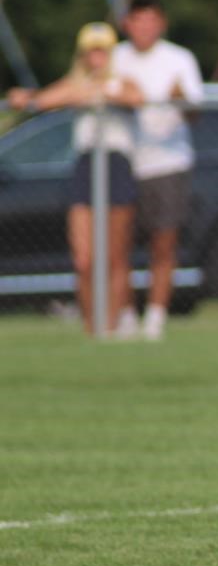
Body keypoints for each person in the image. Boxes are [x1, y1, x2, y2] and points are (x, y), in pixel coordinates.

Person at [7, 23, 145, 336]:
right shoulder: (75, 84)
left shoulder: (122, 81)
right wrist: (28, 98)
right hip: (86, 165)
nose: (96, 58)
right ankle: (92, 328)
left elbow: (136, 97)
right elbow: (47, 98)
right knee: (84, 258)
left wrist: (102, 91)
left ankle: (115, 324)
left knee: (115, 255)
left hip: (116, 164)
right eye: (91, 52)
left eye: (102, 51)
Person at [112, 0, 204, 340]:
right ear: (127, 23)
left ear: (162, 24)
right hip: (123, 160)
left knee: (163, 243)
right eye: (139, 20)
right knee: (118, 244)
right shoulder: (116, 58)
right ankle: (124, 316)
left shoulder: (179, 59)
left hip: (167, 162)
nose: (145, 28)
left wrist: (180, 99)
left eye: (152, 20)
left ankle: (155, 318)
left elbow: (195, 111)